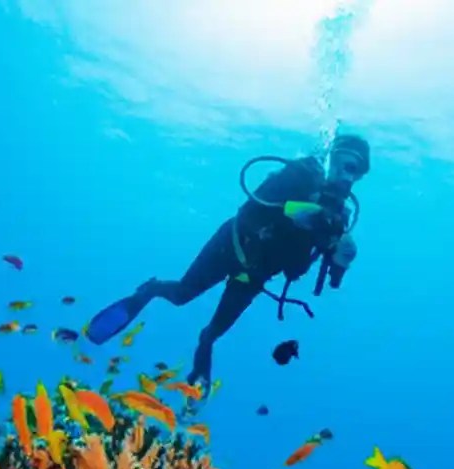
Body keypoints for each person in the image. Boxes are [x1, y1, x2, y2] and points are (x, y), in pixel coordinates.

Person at [85, 130, 370, 388]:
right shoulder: (301, 174)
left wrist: (340, 263)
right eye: (343, 164)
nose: (346, 175)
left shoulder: (340, 220)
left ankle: (200, 360)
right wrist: (303, 213)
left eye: (355, 171)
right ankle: (148, 291)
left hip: (256, 276)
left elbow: (301, 272)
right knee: (182, 294)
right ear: (330, 159)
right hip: (232, 244)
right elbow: (252, 207)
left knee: (213, 334)